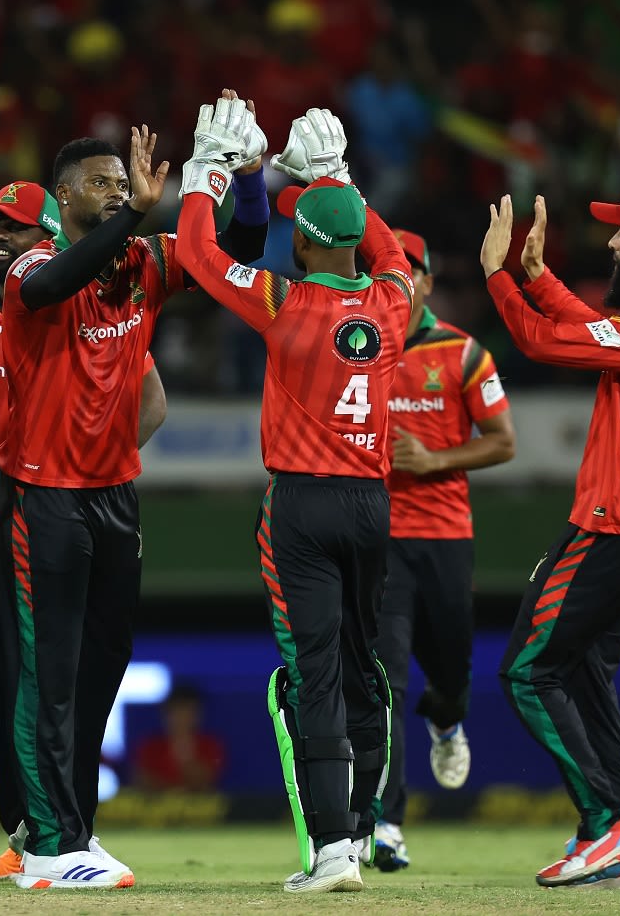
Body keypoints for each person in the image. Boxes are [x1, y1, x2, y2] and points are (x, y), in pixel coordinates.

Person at [0, 100, 269, 890]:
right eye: (101, 182)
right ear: (63, 196)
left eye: (123, 180)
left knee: (101, 672)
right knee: (51, 675)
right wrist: (142, 216)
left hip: (117, 496)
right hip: (46, 498)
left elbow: (236, 251)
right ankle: (44, 848)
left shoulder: (144, 261)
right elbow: (52, 288)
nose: (117, 190)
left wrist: (245, 182)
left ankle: (75, 829)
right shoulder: (27, 266)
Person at [176, 102, 414, 893]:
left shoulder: (284, 302)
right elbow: (389, 256)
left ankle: (333, 848)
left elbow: (200, 256)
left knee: (312, 672)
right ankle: (374, 819)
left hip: (302, 509)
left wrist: (206, 173)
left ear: (305, 241)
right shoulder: (394, 303)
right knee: (362, 663)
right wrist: (340, 177)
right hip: (373, 506)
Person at [0, 179, 168, 882]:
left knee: (51, 677)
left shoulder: (79, 305)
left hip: (42, 508)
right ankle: (28, 825)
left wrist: (100, 467)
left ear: (49, 237)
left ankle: (61, 831)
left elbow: (150, 398)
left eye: (11, 227)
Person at [480, 187, 620, 890]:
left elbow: (546, 340)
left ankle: (607, 821)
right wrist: (538, 276)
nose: (610, 246)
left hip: (609, 528)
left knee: (526, 670)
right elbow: (592, 328)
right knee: (586, 676)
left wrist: (498, 274)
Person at [372, 227, 517, 872]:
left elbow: (503, 442)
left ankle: (448, 719)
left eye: (411, 270)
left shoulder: (462, 355)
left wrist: (433, 460)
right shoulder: (357, 344)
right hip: (382, 540)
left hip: (447, 539)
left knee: (452, 675)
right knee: (387, 682)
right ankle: (387, 823)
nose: (400, 280)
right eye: (388, 267)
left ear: (427, 282)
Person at [131, 683, 227, 793]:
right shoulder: (150, 747)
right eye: (177, 712)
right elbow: (142, 781)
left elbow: (205, 780)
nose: (182, 719)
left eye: (189, 712)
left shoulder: (211, 746)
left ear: (198, 715)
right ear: (166, 714)